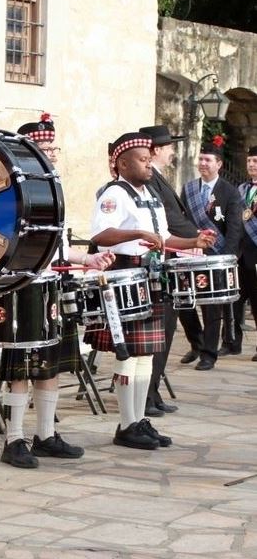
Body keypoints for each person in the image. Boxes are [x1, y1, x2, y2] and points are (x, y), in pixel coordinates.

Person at [0, 116, 115, 468]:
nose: (51, 154)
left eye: (53, 148)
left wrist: (88, 258)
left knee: (51, 367)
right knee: (21, 368)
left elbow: (59, 248)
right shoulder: (10, 188)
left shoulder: (52, 187)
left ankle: (45, 435)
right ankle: (13, 439)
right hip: (22, 286)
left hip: (52, 287)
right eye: (44, 149)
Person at [87, 132, 214, 449]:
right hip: (126, 272)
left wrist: (193, 242)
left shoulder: (151, 194)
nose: (149, 166)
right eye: (143, 161)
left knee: (147, 353)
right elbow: (101, 235)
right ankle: (126, 423)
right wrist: (138, 231)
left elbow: (164, 237)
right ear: (123, 163)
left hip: (151, 273)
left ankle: (137, 419)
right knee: (129, 353)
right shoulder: (115, 194)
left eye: (149, 160)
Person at [137, 124, 199, 416]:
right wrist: (194, 238)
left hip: (170, 259)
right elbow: (171, 220)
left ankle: (153, 391)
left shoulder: (157, 178)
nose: (174, 151)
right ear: (156, 150)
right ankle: (146, 395)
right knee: (159, 330)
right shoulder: (149, 181)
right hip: (157, 264)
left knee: (167, 329)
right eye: (170, 147)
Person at [178, 137, 243, 371]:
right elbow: (182, 219)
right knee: (183, 302)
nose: (203, 163)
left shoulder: (230, 192)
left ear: (218, 165)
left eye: (208, 160)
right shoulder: (188, 189)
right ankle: (197, 343)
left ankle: (208, 354)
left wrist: (225, 257)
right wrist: (190, 242)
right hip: (192, 253)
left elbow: (235, 227)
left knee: (211, 307)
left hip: (216, 257)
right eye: (201, 159)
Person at [231, 145, 257, 359]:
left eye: (255, 161)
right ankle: (232, 342)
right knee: (235, 300)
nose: (251, 165)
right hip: (240, 253)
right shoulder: (241, 189)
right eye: (249, 161)